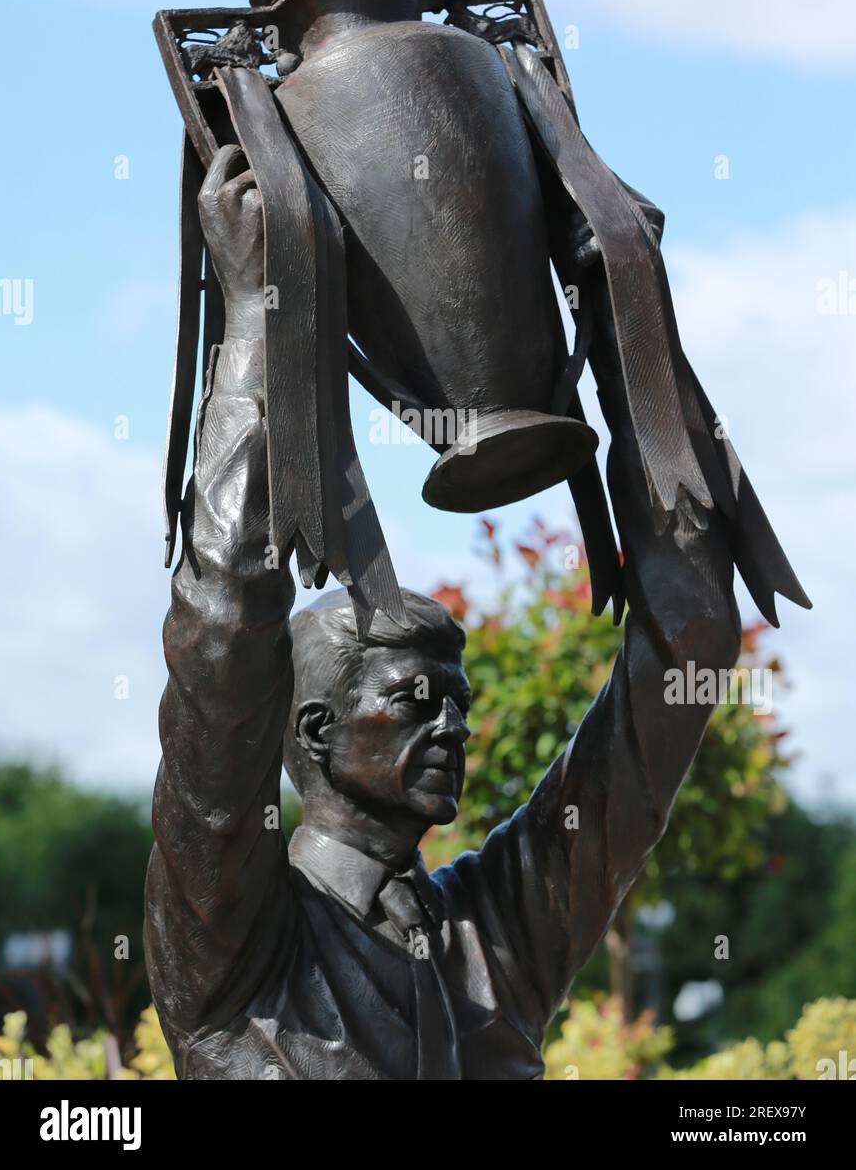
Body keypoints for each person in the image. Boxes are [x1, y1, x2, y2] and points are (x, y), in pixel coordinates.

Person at [145, 145, 741, 1080]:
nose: (453, 724)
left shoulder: (501, 930)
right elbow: (222, 634)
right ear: (313, 729)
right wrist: (258, 315)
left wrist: (629, 321)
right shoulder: (231, 940)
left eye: (456, 700)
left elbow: (689, 646)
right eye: (416, 698)